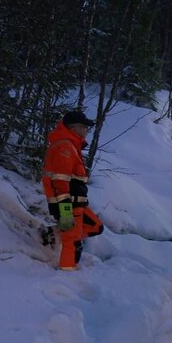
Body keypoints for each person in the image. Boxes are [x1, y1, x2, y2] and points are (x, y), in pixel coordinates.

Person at [42, 110, 104, 271]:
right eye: (84, 127)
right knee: (73, 241)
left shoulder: (71, 146)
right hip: (68, 203)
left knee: (96, 226)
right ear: (74, 127)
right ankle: (67, 272)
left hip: (78, 203)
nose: (86, 131)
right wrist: (65, 209)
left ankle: (53, 234)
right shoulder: (65, 147)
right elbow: (60, 181)